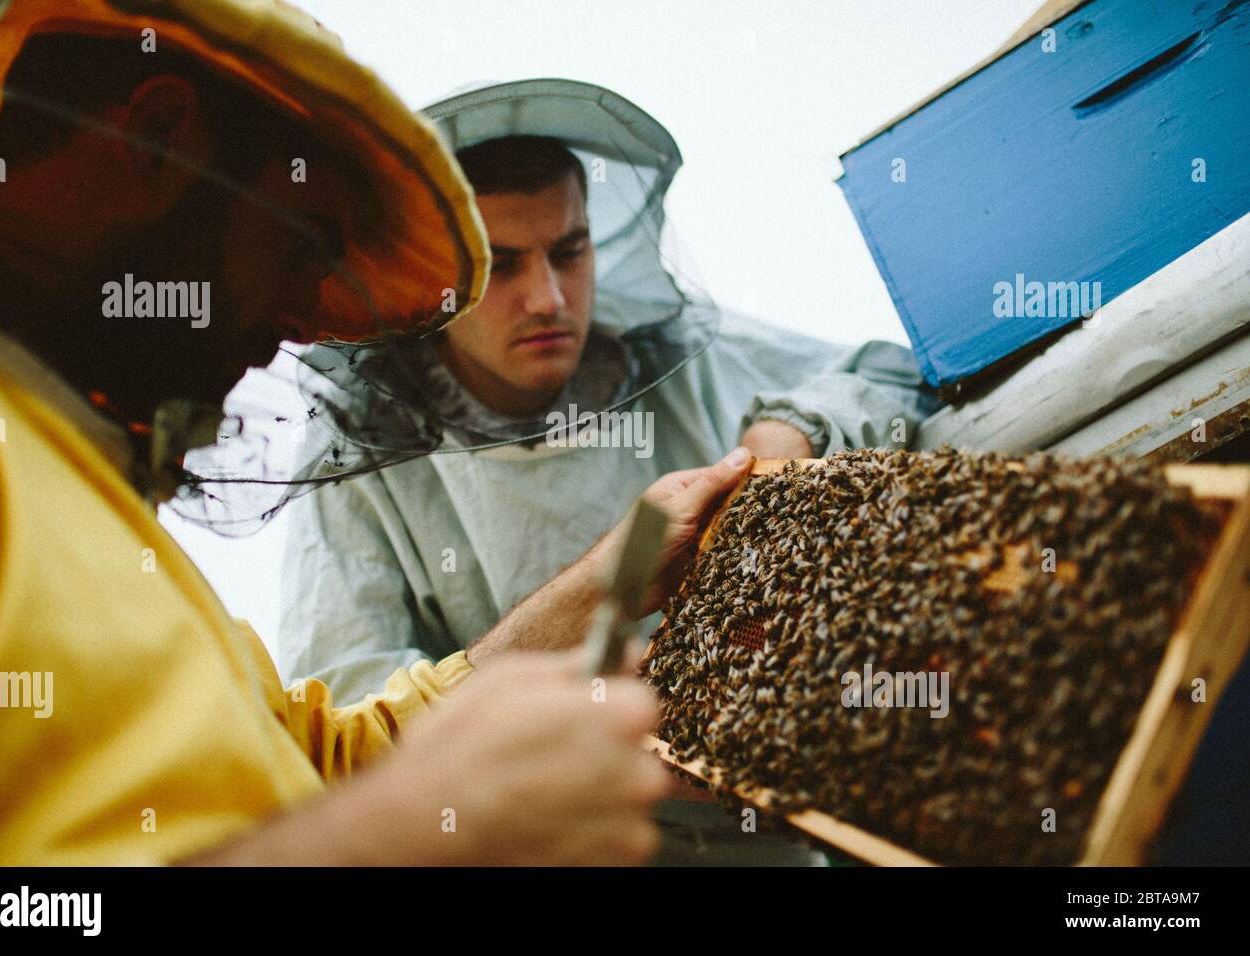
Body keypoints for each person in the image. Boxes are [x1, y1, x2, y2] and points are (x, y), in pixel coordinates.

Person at [0, 0, 747, 865]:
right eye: (303, 246)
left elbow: (325, 762)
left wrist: (602, 582)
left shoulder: (80, 481)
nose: (304, 320)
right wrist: (410, 834)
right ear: (156, 140)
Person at [277, 79, 939, 864]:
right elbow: (354, 711)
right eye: (501, 266)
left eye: (569, 251)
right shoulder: (365, 458)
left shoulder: (678, 359)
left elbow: (892, 373)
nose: (548, 298)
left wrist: (787, 431)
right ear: (436, 278)